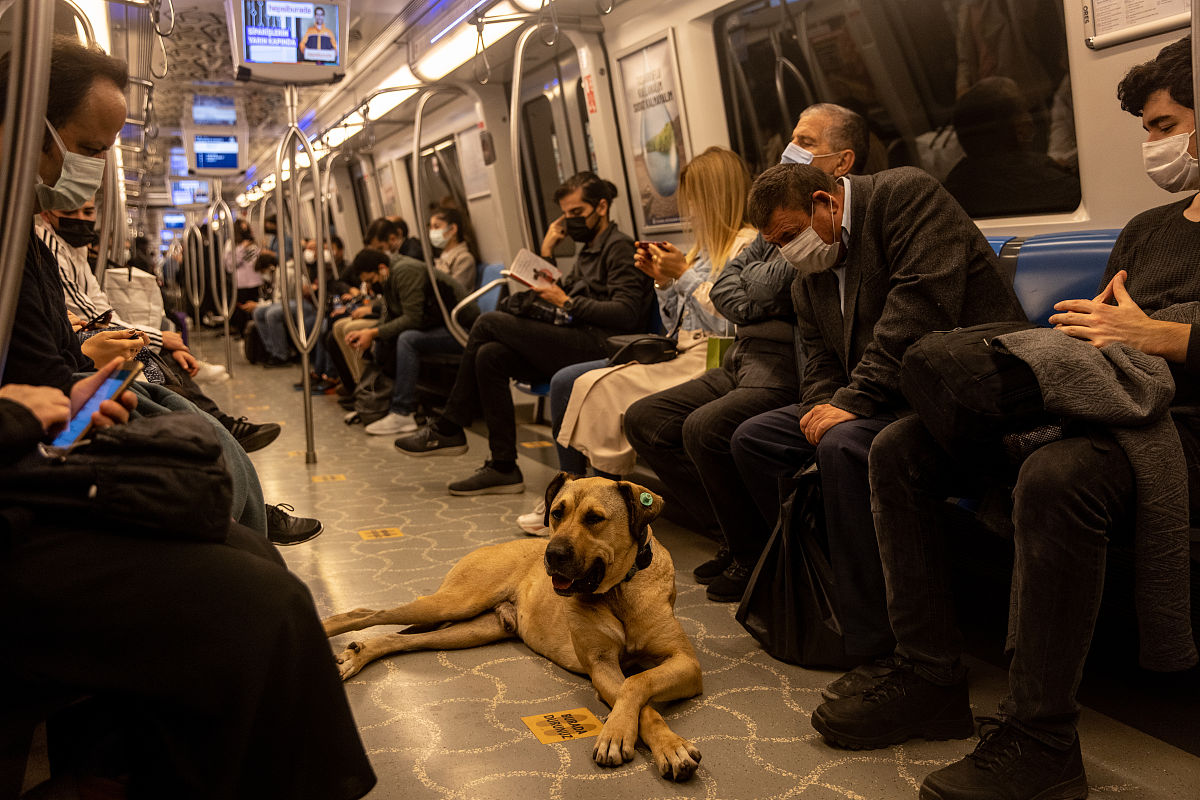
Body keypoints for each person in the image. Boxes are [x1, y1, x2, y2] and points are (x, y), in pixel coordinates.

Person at [810, 35, 1200, 799]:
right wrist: (1089, 334)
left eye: (1163, 126)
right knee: (899, 447)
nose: (1152, 144)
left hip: (1180, 424)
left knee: (1055, 475)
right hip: (1107, 400)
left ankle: (1042, 741)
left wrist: (1164, 336)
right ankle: (929, 676)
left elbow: (1143, 334)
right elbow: (1108, 327)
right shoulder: (1149, 231)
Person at [0, 367, 376, 799]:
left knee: (251, 551)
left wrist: (62, 408)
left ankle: (136, 768)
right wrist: (13, 415)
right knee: (263, 601)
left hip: (24, 483)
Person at [0, 36, 315, 545]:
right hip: (41, 444)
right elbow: (45, 372)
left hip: (68, 404)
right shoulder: (15, 237)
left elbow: (55, 356)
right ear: (33, 130)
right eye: (88, 149)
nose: (97, 169)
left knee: (181, 417)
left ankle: (239, 498)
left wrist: (86, 366)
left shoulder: (23, 234)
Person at [730, 160, 1023, 671]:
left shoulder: (905, 198)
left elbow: (920, 312)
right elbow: (818, 355)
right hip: (877, 398)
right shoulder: (810, 275)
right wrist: (821, 405)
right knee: (754, 439)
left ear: (827, 202)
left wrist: (848, 403)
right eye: (776, 244)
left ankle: (872, 641)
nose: (788, 252)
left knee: (842, 446)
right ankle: (820, 591)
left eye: (792, 235)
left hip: (963, 391)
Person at [623, 103, 864, 599]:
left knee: (705, 428)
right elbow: (732, 296)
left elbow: (761, 287)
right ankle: (735, 536)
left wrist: (741, 287)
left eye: (807, 142)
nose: (793, 150)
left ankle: (755, 551)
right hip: (740, 356)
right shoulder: (772, 220)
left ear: (842, 162)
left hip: (778, 364)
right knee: (645, 418)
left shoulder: (812, 220)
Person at [396, 171, 653, 496]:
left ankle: (450, 424)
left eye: (577, 213)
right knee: (491, 356)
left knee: (488, 323)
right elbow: (554, 290)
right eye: (566, 215)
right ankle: (504, 466)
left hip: (603, 344)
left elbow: (626, 315)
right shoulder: (588, 249)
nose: (571, 221)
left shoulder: (619, 248)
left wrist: (569, 302)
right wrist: (546, 253)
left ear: (601, 207)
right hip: (576, 336)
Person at [553, 147, 756, 477]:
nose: (690, 211)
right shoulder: (700, 250)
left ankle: (600, 493)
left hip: (716, 357)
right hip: (685, 349)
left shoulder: (745, 245)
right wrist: (664, 283)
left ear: (716, 198)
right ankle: (582, 488)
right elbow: (674, 324)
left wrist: (683, 277)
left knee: (602, 389)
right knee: (588, 383)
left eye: (696, 200)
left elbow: (731, 321)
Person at [38, 201, 281, 453]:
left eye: (87, 212)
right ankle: (207, 426)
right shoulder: (49, 246)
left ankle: (210, 423)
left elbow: (99, 308)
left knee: (152, 356)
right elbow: (91, 315)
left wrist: (153, 338)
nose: (80, 219)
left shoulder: (72, 249)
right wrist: (157, 338)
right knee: (149, 359)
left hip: (78, 331)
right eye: (70, 212)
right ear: (46, 213)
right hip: (73, 339)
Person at [344, 249, 472, 435]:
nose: (372, 287)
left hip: (460, 328)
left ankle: (402, 412)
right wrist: (372, 333)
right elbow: (389, 316)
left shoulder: (405, 272)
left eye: (372, 281)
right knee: (384, 339)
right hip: (437, 324)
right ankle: (377, 404)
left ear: (381, 268)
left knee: (408, 339)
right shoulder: (389, 276)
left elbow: (413, 318)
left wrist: (372, 332)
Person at [944, 76, 1080, 217]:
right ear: (1022, 130)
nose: (1030, 120)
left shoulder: (950, 198)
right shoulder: (1065, 189)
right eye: (1025, 110)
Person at [429, 205, 479, 291]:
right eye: (431, 227)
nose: (432, 231)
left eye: (436, 227)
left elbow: (452, 293)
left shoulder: (464, 259)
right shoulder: (442, 257)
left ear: (452, 229)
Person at [226, 217, 262, 334]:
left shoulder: (254, 243)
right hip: (241, 283)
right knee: (242, 311)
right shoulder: (231, 244)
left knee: (255, 311)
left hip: (255, 281)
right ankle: (243, 334)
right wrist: (242, 248)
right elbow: (230, 265)